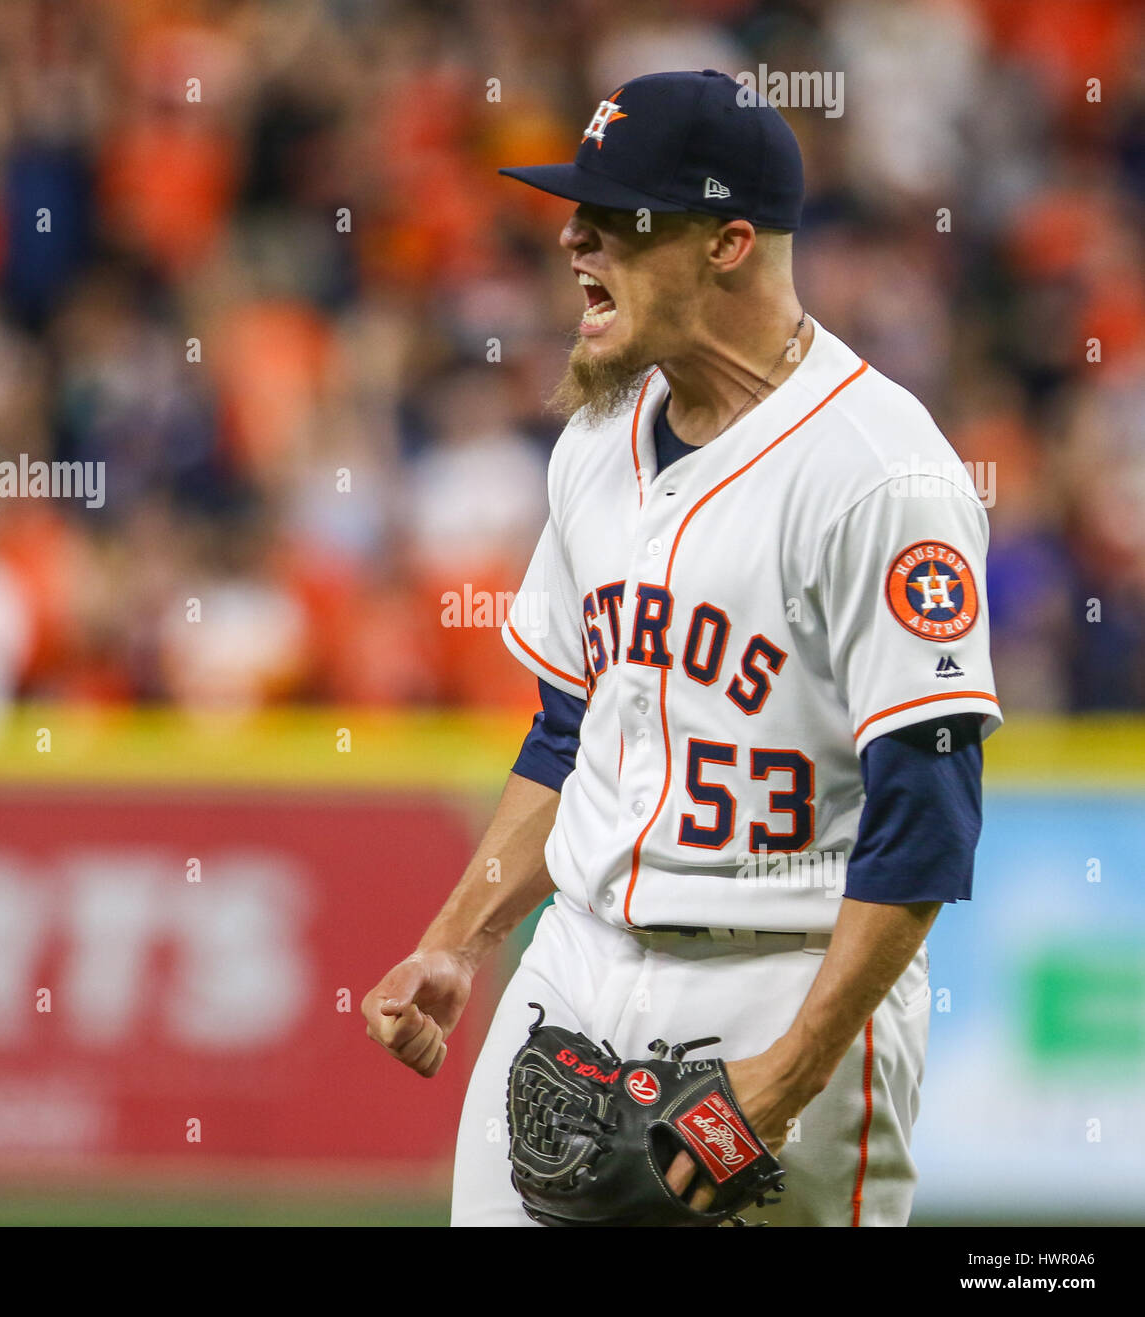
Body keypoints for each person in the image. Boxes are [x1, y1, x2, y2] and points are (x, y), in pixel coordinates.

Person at [362, 69, 1001, 1227]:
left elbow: (928, 811)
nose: (573, 238)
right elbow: (569, 730)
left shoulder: (881, 474)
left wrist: (788, 1073)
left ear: (729, 243)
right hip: (577, 964)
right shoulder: (594, 440)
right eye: (576, 212)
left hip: (788, 976)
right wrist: (458, 938)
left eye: (618, 220)